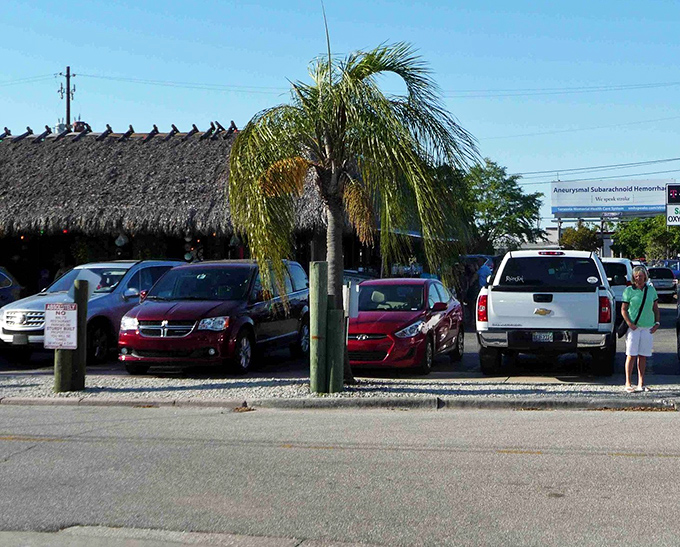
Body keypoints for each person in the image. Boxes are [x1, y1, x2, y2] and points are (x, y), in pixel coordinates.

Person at [621, 265, 660, 393]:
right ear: (633, 277)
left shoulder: (651, 291)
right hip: (634, 327)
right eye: (636, 276)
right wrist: (629, 323)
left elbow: (655, 308)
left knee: (643, 355)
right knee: (631, 355)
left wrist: (657, 323)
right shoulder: (629, 290)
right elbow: (624, 309)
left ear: (645, 277)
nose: (639, 278)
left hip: (647, 326)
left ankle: (641, 383)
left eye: (641, 276)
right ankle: (628, 382)